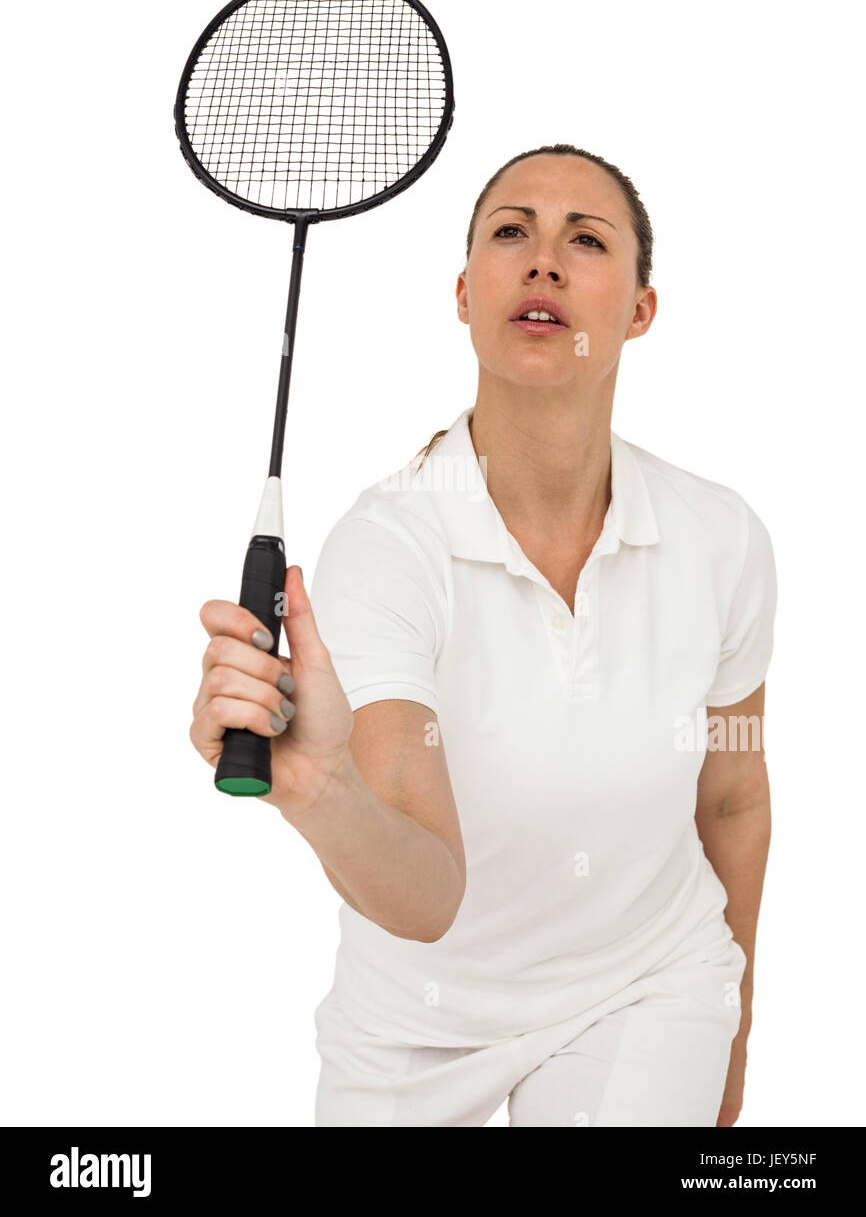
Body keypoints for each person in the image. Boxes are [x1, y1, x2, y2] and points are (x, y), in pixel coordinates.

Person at [189, 144, 777, 1127]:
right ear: (463, 294)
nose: (541, 261)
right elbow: (423, 894)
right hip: (415, 1023)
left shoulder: (720, 538)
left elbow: (731, 790)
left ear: (638, 309)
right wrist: (322, 790)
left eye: (584, 239)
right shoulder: (384, 551)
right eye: (511, 231)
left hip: (646, 981)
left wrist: (731, 1032)